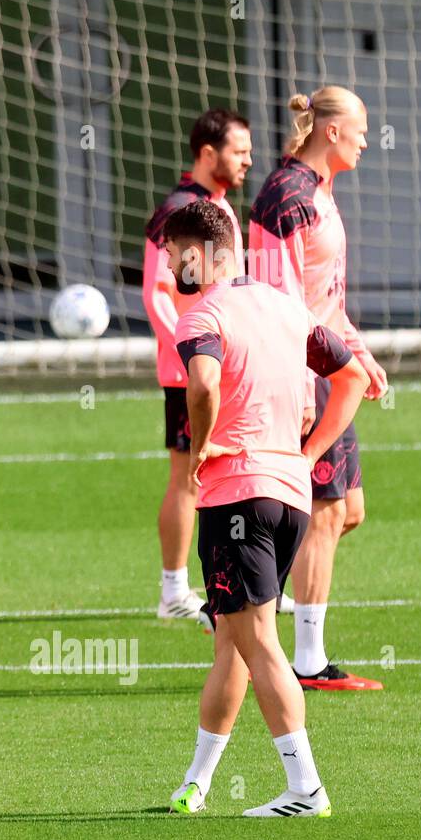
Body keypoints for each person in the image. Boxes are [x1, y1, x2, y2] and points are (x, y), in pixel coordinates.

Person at [162, 200, 367, 817]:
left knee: (256, 641)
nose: (170, 265)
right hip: (290, 497)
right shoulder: (284, 305)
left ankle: (305, 788)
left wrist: (201, 448)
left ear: (200, 254)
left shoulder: (202, 313)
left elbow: (202, 385)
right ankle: (197, 782)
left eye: (173, 255)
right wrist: (309, 456)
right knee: (233, 640)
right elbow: (353, 376)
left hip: (238, 498)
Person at [249, 86, 389, 690]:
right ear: (331, 131)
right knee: (327, 511)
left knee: (346, 512)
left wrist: (360, 351)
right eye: (359, 129)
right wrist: (303, 388)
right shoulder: (287, 196)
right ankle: (305, 660)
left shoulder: (321, 194)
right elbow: (280, 303)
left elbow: (326, 296)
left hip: (331, 366)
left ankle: (247, 594)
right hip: (305, 372)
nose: (365, 138)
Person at [142, 108, 251, 622]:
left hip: (223, 361)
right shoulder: (179, 212)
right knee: (190, 477)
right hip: (195, 368)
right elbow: (156, 294)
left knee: (223, 471)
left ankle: (239, 585)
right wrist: (189, 355)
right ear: (209, 154)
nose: (248, 159)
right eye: (240, 150)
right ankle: (176, 592)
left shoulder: (218, 208)